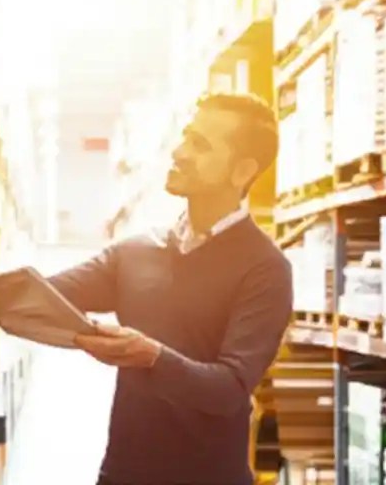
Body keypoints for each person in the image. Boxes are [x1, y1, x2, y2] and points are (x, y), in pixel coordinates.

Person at [47, 92, 293, 485]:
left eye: (201, 144)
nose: (179, 152)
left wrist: (151, 356)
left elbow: (229, 388)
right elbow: (45, 296)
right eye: (185, 137)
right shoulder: (136, 252)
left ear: (242, 170)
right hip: (123, 475)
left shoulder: (264, 269)